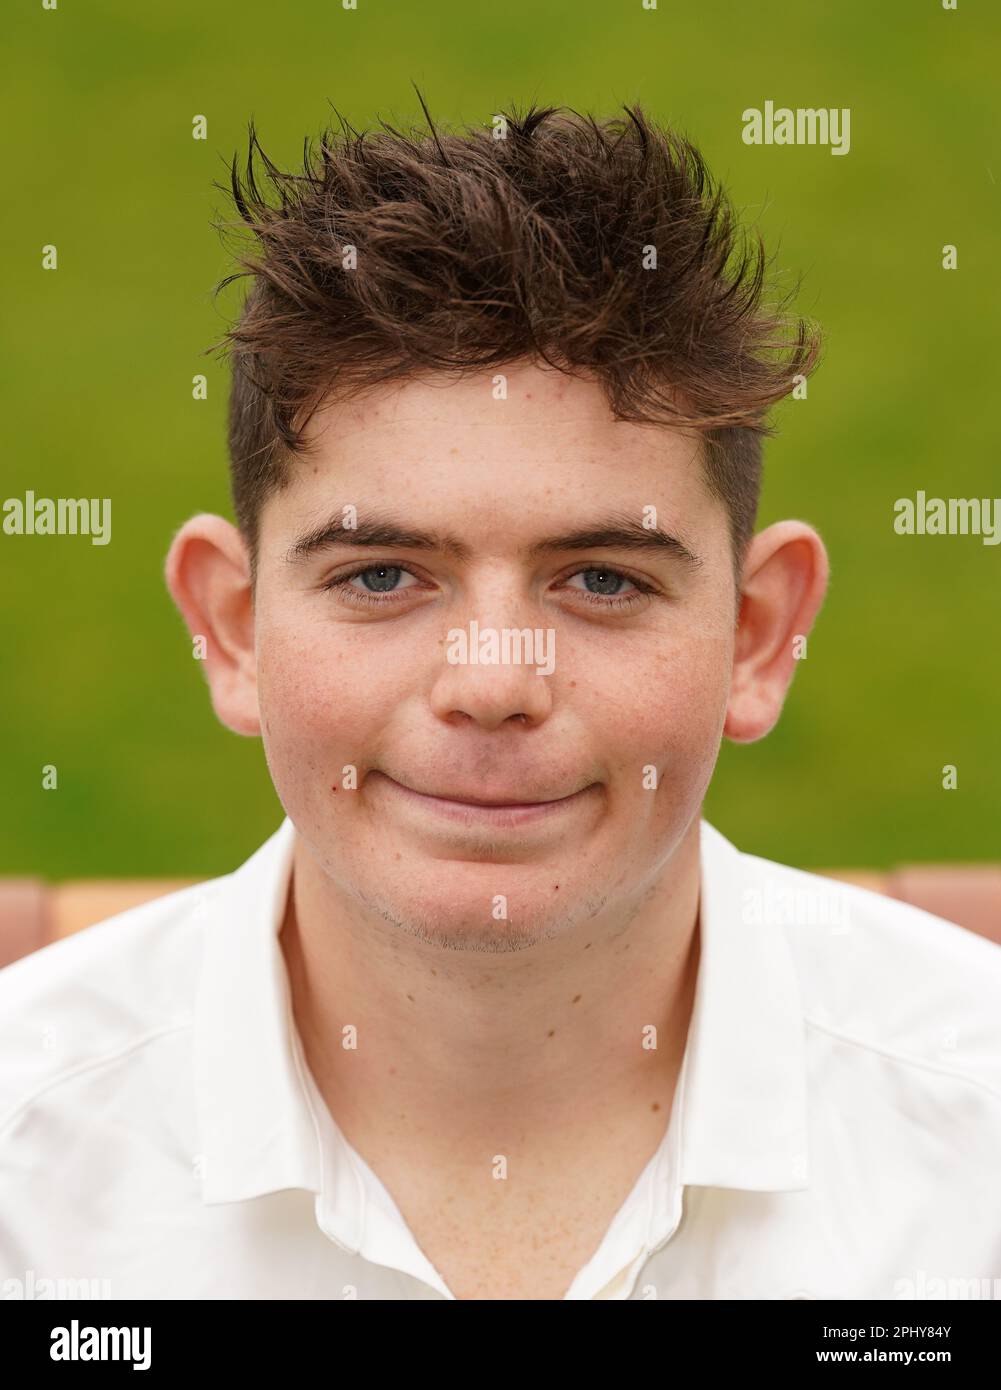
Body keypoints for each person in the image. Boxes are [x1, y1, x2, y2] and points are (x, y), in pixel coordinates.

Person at [2, 101, 999, 1303]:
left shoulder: (972, 1137)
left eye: (598, 579)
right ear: (231, 628)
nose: (490, 682)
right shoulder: (26, 1156)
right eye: (380, 576)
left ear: (755, 634)